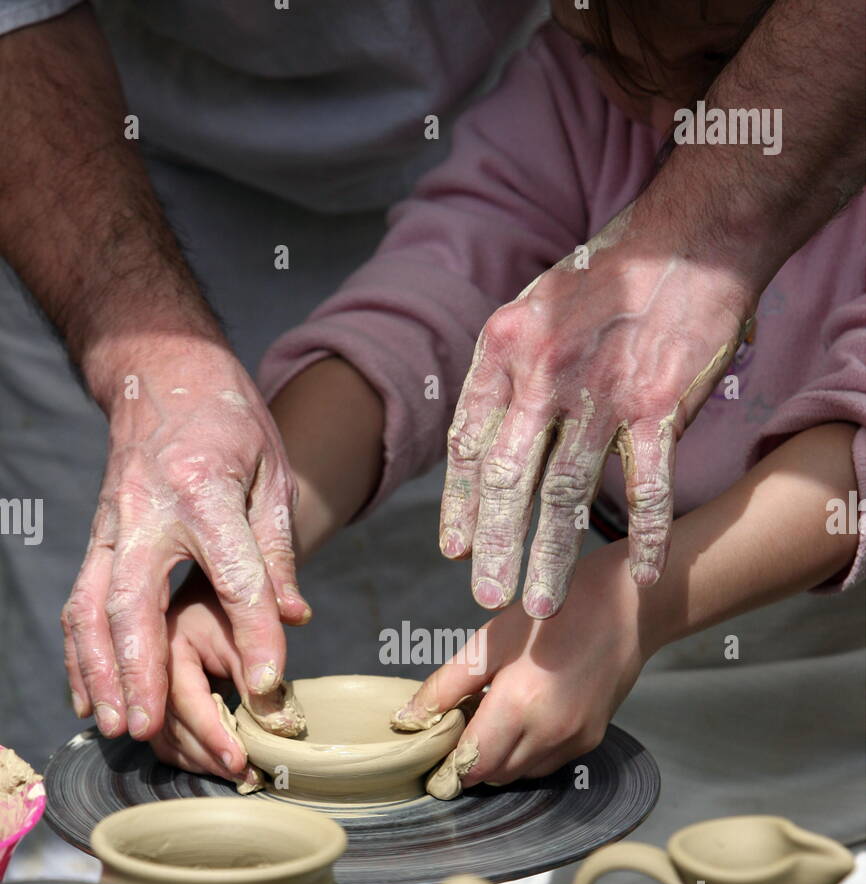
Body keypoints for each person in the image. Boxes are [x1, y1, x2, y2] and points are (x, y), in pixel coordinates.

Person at [150, 0, 865, 884]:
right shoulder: (581, 90)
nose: (663, 122)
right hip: (617, 680)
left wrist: (628, 608)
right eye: (619, 63)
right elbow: (429, 309)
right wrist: (246, 541)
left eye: (715, 61)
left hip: (836, 706)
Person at [0, 0, 541, 769]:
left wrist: (623, 612)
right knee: (109, 700)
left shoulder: (581, 122)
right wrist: (209, 583)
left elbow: (464, 279)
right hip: (95, 154)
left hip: (478, 138)